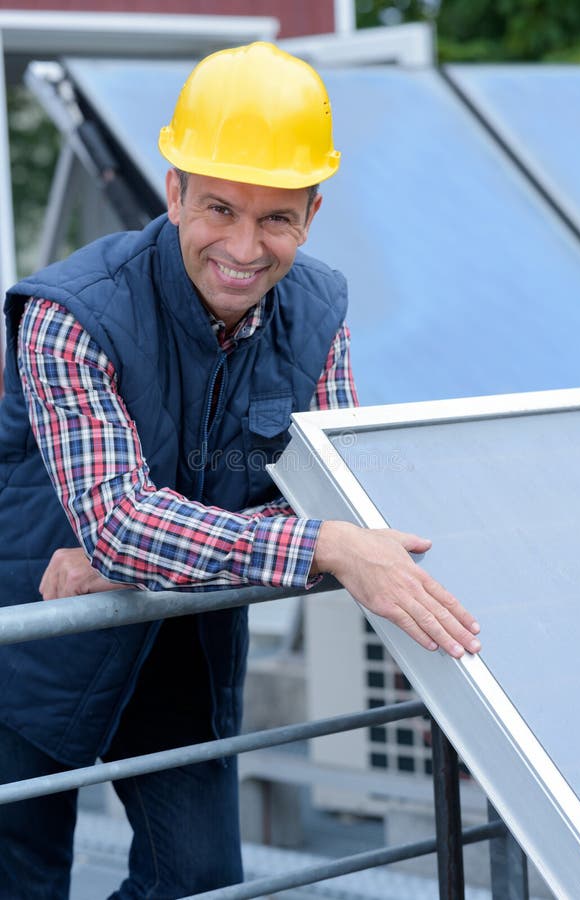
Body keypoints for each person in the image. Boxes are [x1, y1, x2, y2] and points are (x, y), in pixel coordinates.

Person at [0, 42, 480, 899]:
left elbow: (333, 502)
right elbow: (118, 517)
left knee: (202, 883)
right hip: (31, 642)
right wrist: (316, 542)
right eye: (219, 207)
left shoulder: (319, 311)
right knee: (21, 878)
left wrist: (134, 554)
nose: (244, 248)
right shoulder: (67, 315)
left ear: (312, 213)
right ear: (174, 188)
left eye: (276, 219)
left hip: (182, 639)